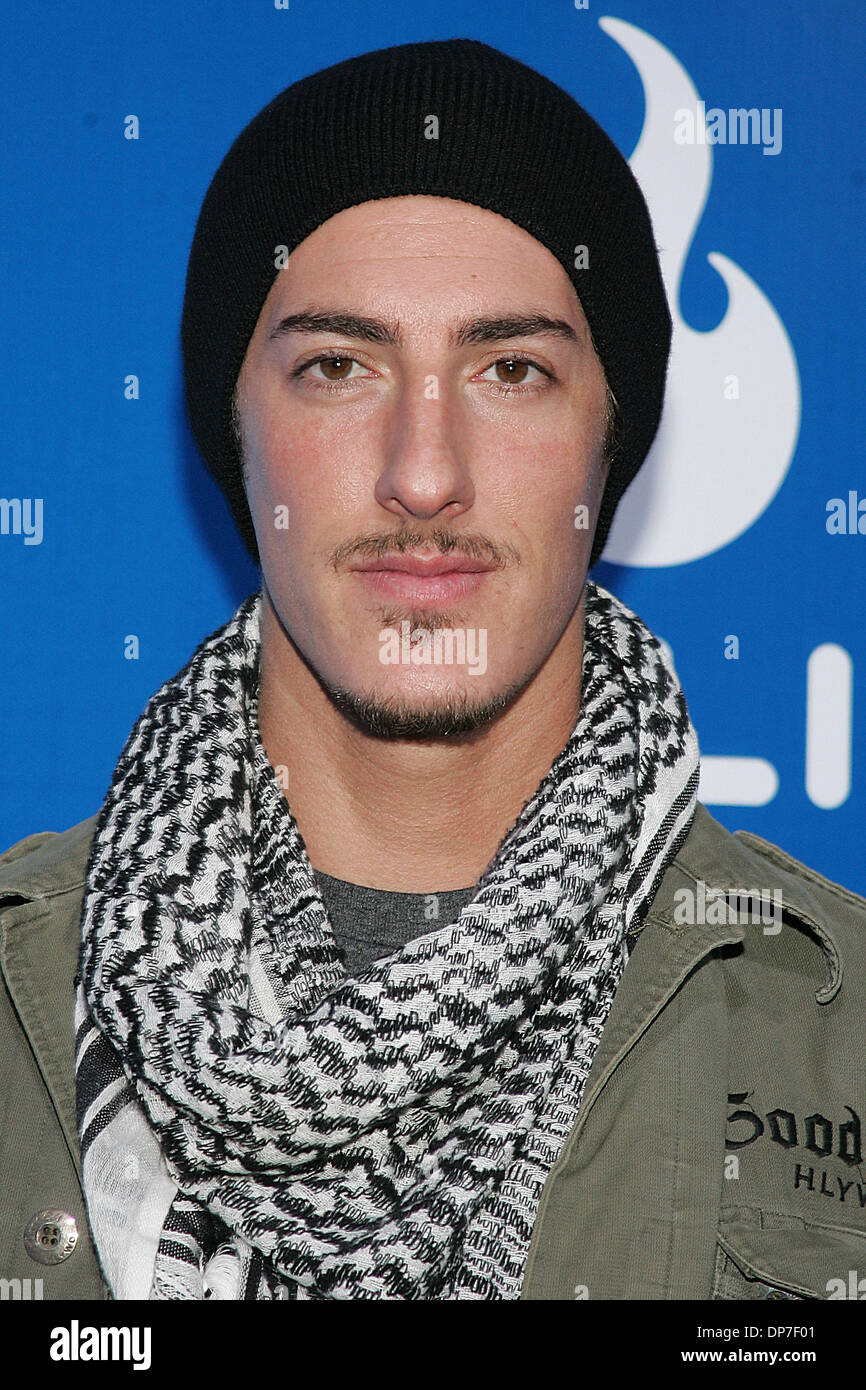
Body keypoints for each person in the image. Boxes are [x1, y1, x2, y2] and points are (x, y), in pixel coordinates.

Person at [1, 37, 863, 1303]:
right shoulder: (25, 994)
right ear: (232, 431)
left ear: (607, 440)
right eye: (336, 366)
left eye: (510, 369)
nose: (422, 471)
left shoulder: (831, 1033)